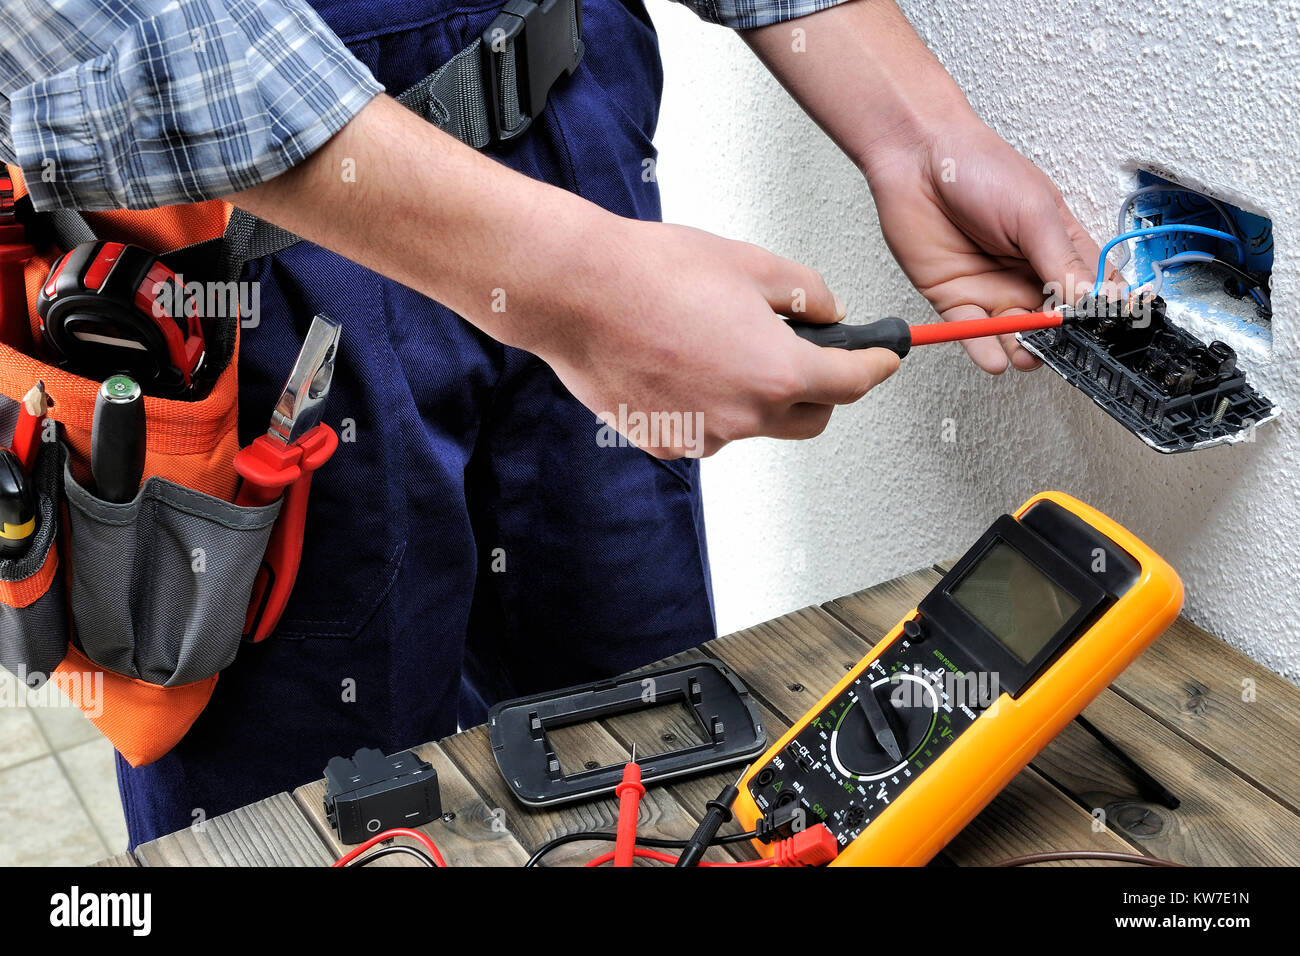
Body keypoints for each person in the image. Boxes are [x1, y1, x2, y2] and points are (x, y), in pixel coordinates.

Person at [1, 0, 1103, 847]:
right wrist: (577, 291)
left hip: (574, 139)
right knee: (304, 818)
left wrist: (917, 136)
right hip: (246, 240)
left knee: (652, 760)